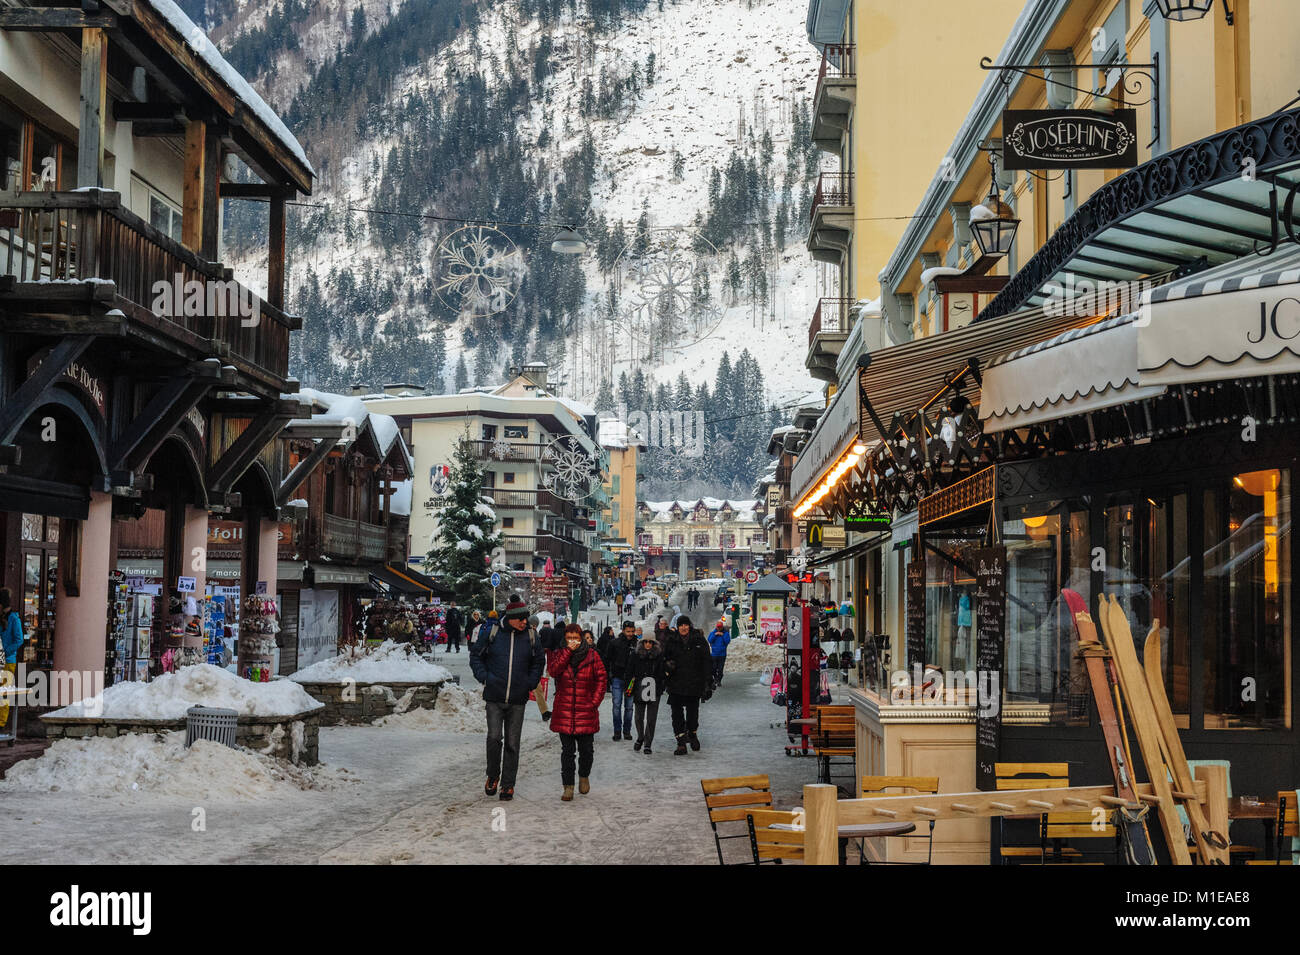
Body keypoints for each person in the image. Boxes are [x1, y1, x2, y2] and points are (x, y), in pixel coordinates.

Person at [469, 595, 545, 802]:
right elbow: (476, 656)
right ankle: (493, 775)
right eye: (521, 619)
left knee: (513, 743)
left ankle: (508, 785)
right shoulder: (492, 633)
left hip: (518, 698)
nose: (525, 623)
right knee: (494, 738)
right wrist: (484, 677)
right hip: (494, 695)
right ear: (511, 618)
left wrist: (530, 682)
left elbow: (539, 661)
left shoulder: (530, 636)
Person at [549, 622, 608, 801]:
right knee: (567, 752)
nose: (572, 641)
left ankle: (584, 776)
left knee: (586, 750)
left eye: (575, 638)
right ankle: (568, 786)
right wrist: (567, 652)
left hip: (586, 710)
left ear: (581, 638)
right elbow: (553, 671)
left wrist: (594, 701)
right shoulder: (559, 653)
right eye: (569, 638)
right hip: (564, 711)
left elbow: (602, 679)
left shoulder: (592, 656)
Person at [662, 612, 712, 755]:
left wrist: (708, 681)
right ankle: (681, 742)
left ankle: (692, 733)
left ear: (689, 626)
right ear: (677, 627)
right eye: (680, 625)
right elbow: (664, 659)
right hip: (676, 683)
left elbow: (707, 661)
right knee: (676, 715)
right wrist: (667, 666)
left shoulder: (699, 640)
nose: (683, 628)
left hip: (694, 683)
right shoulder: (671, 641)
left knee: (693, 713)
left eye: (685, 625)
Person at [624, 629, 666, 754]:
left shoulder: (658, 656)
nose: (648, 644)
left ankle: (648, 743)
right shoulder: (635, 655)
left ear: (654, 643)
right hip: (639, 688)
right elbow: (629, 672)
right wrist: (628, 687)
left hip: (654, 688)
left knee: (651, 718)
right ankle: (640, 736)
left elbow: (662, 673)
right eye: (646, 642)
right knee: (638, 717)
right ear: (642, 642)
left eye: (650, 642)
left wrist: (660, 686)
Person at [605, 620, 638, 741]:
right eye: (628, 631)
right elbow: (607, 659)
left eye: (632, 631)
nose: (630, 633)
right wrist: (610, 675)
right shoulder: (614, 643)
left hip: (631, 680)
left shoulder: (637, 644)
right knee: (617, 705)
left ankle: (627, 730)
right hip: (617, 678)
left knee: (629, 707)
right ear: (623, 631)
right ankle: (617, 730)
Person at [0, 588, 22, 732]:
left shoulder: (14, 618)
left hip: (8, 660)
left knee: (3, 692)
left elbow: (19, 639)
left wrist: (5, 651)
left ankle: (1, 723)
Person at [707, 617, 731, 688]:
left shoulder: (725, 633)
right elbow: (710, 640)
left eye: (720, 627)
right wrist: (715, 635)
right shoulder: (713, 633)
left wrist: (722, 635)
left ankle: (719, 680)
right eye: (718, 627)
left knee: (720, 669)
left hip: (722, 654)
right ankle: (715, 679)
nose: (719, 628)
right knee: (713, 668)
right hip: (714, 654)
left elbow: (727, 641)